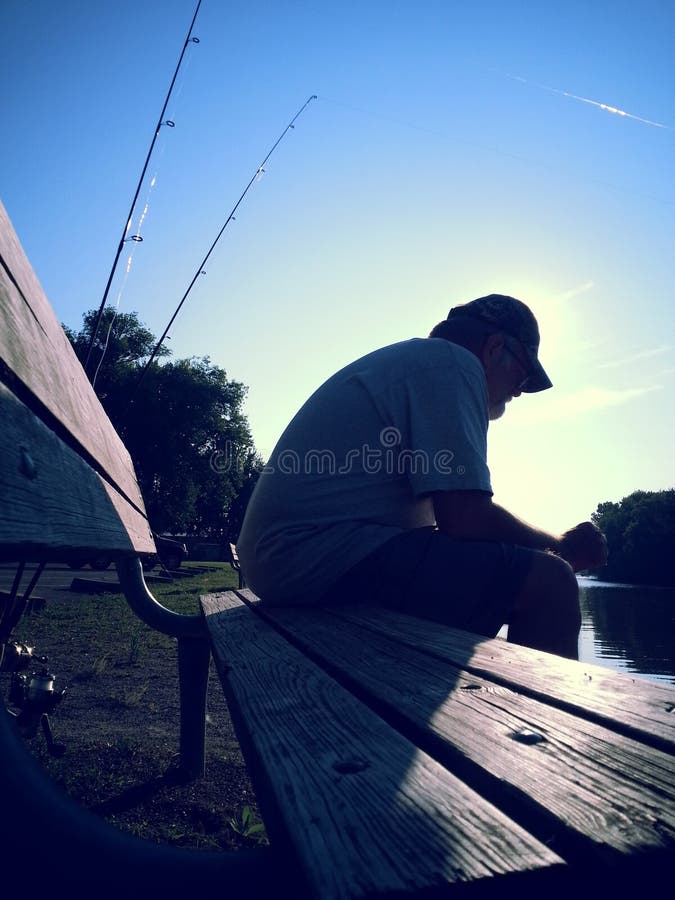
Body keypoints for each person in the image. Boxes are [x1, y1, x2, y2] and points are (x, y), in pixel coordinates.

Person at [237, 294, 608, 659]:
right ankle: (548, 721)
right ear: (495, 348)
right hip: (308, 556)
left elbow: (458, 517)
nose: (519, 391)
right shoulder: (454, 365)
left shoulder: (418, 365)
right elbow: (466, 518)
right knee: (551, 583)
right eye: (523, 375)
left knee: (499, 572)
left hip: (294, 559)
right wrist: (559, 546)